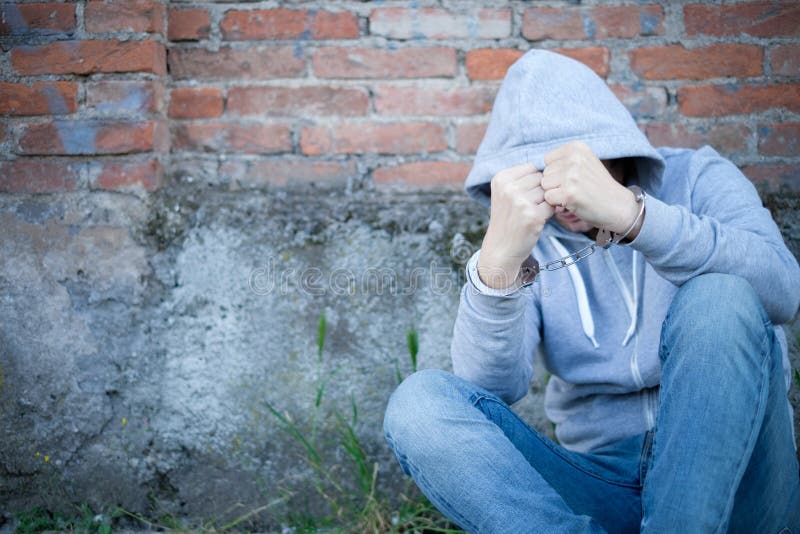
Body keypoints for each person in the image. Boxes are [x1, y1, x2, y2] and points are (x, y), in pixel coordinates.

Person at [383, 49, 800, 533]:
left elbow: (783, 289)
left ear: (612, 143)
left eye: (569, 166)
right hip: (602, 479)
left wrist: (633, 218)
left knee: (720, 299)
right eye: (536, 173)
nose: (556, 192)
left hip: (739, 469)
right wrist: (498, 269)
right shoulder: (531, 237)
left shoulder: (698, 178)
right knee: (419, 404)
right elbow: (490, 390)